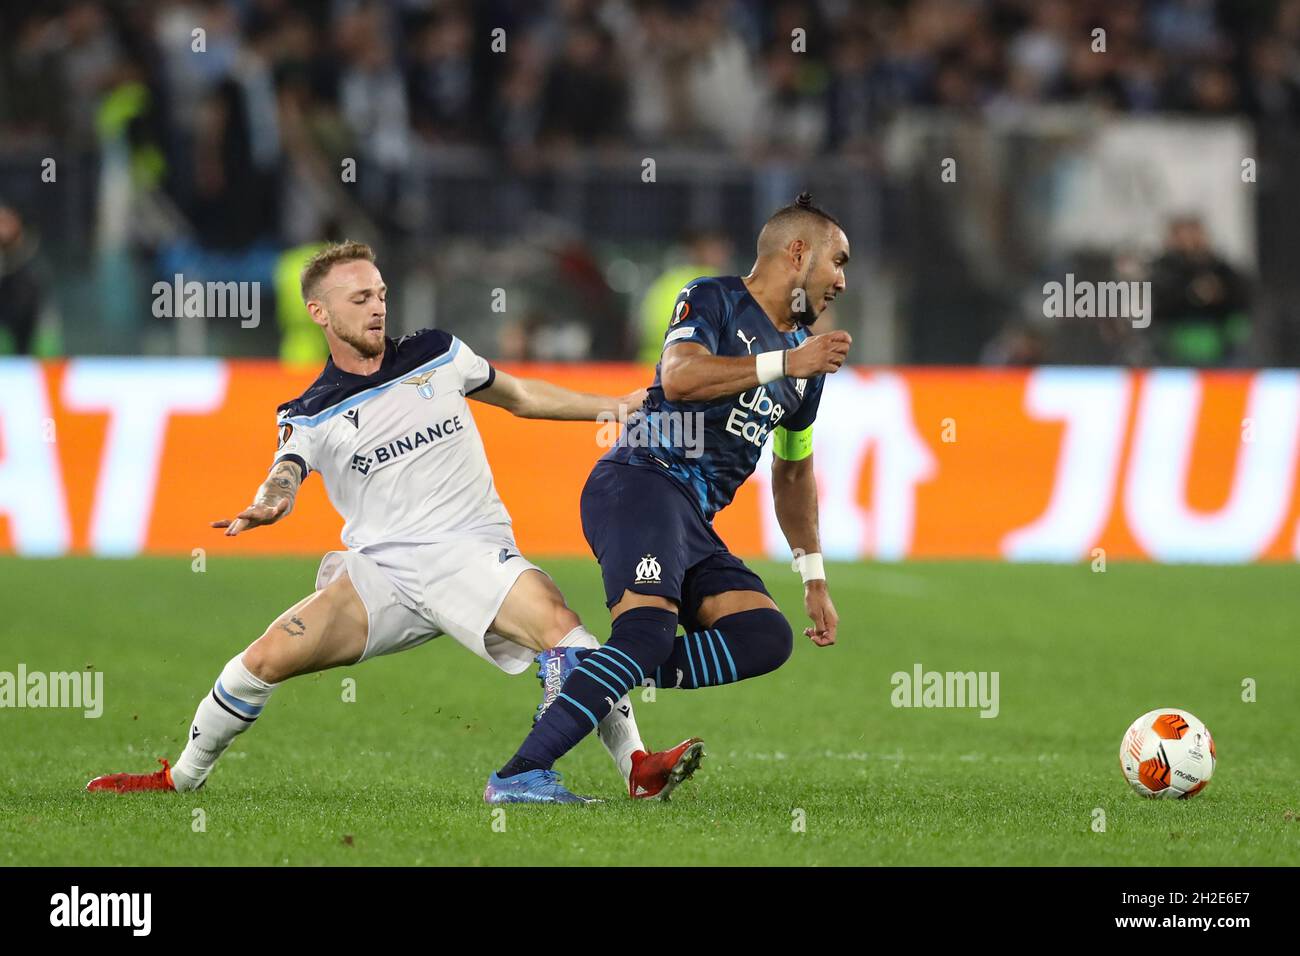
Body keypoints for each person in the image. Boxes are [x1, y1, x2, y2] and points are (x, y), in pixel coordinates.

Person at [86, 240, 701, 804]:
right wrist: (274, 498)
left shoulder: (435, 353)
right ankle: (178, 780)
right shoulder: (310, 411)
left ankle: (636, 771)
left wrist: (613, 407)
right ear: (319, 313)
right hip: (381, 574)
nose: (377, 308)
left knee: (568, 636)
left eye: (380, 294)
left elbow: (520, 396)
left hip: (469, 555)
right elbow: (287, 469)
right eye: (359, 299)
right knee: (259, 662)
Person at [487, 194, 852, 801]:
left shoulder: (804, 360)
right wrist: (786, 361)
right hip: (641, 481)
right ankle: (519, 774)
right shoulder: (712, 297)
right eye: (837, 262)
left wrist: (813, 574)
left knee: (765, 635)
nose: (841, 280)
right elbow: (679, 379)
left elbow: (793, 473)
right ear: (798, 253)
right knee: (645, 637)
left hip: (692, 519)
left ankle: (590, 670)